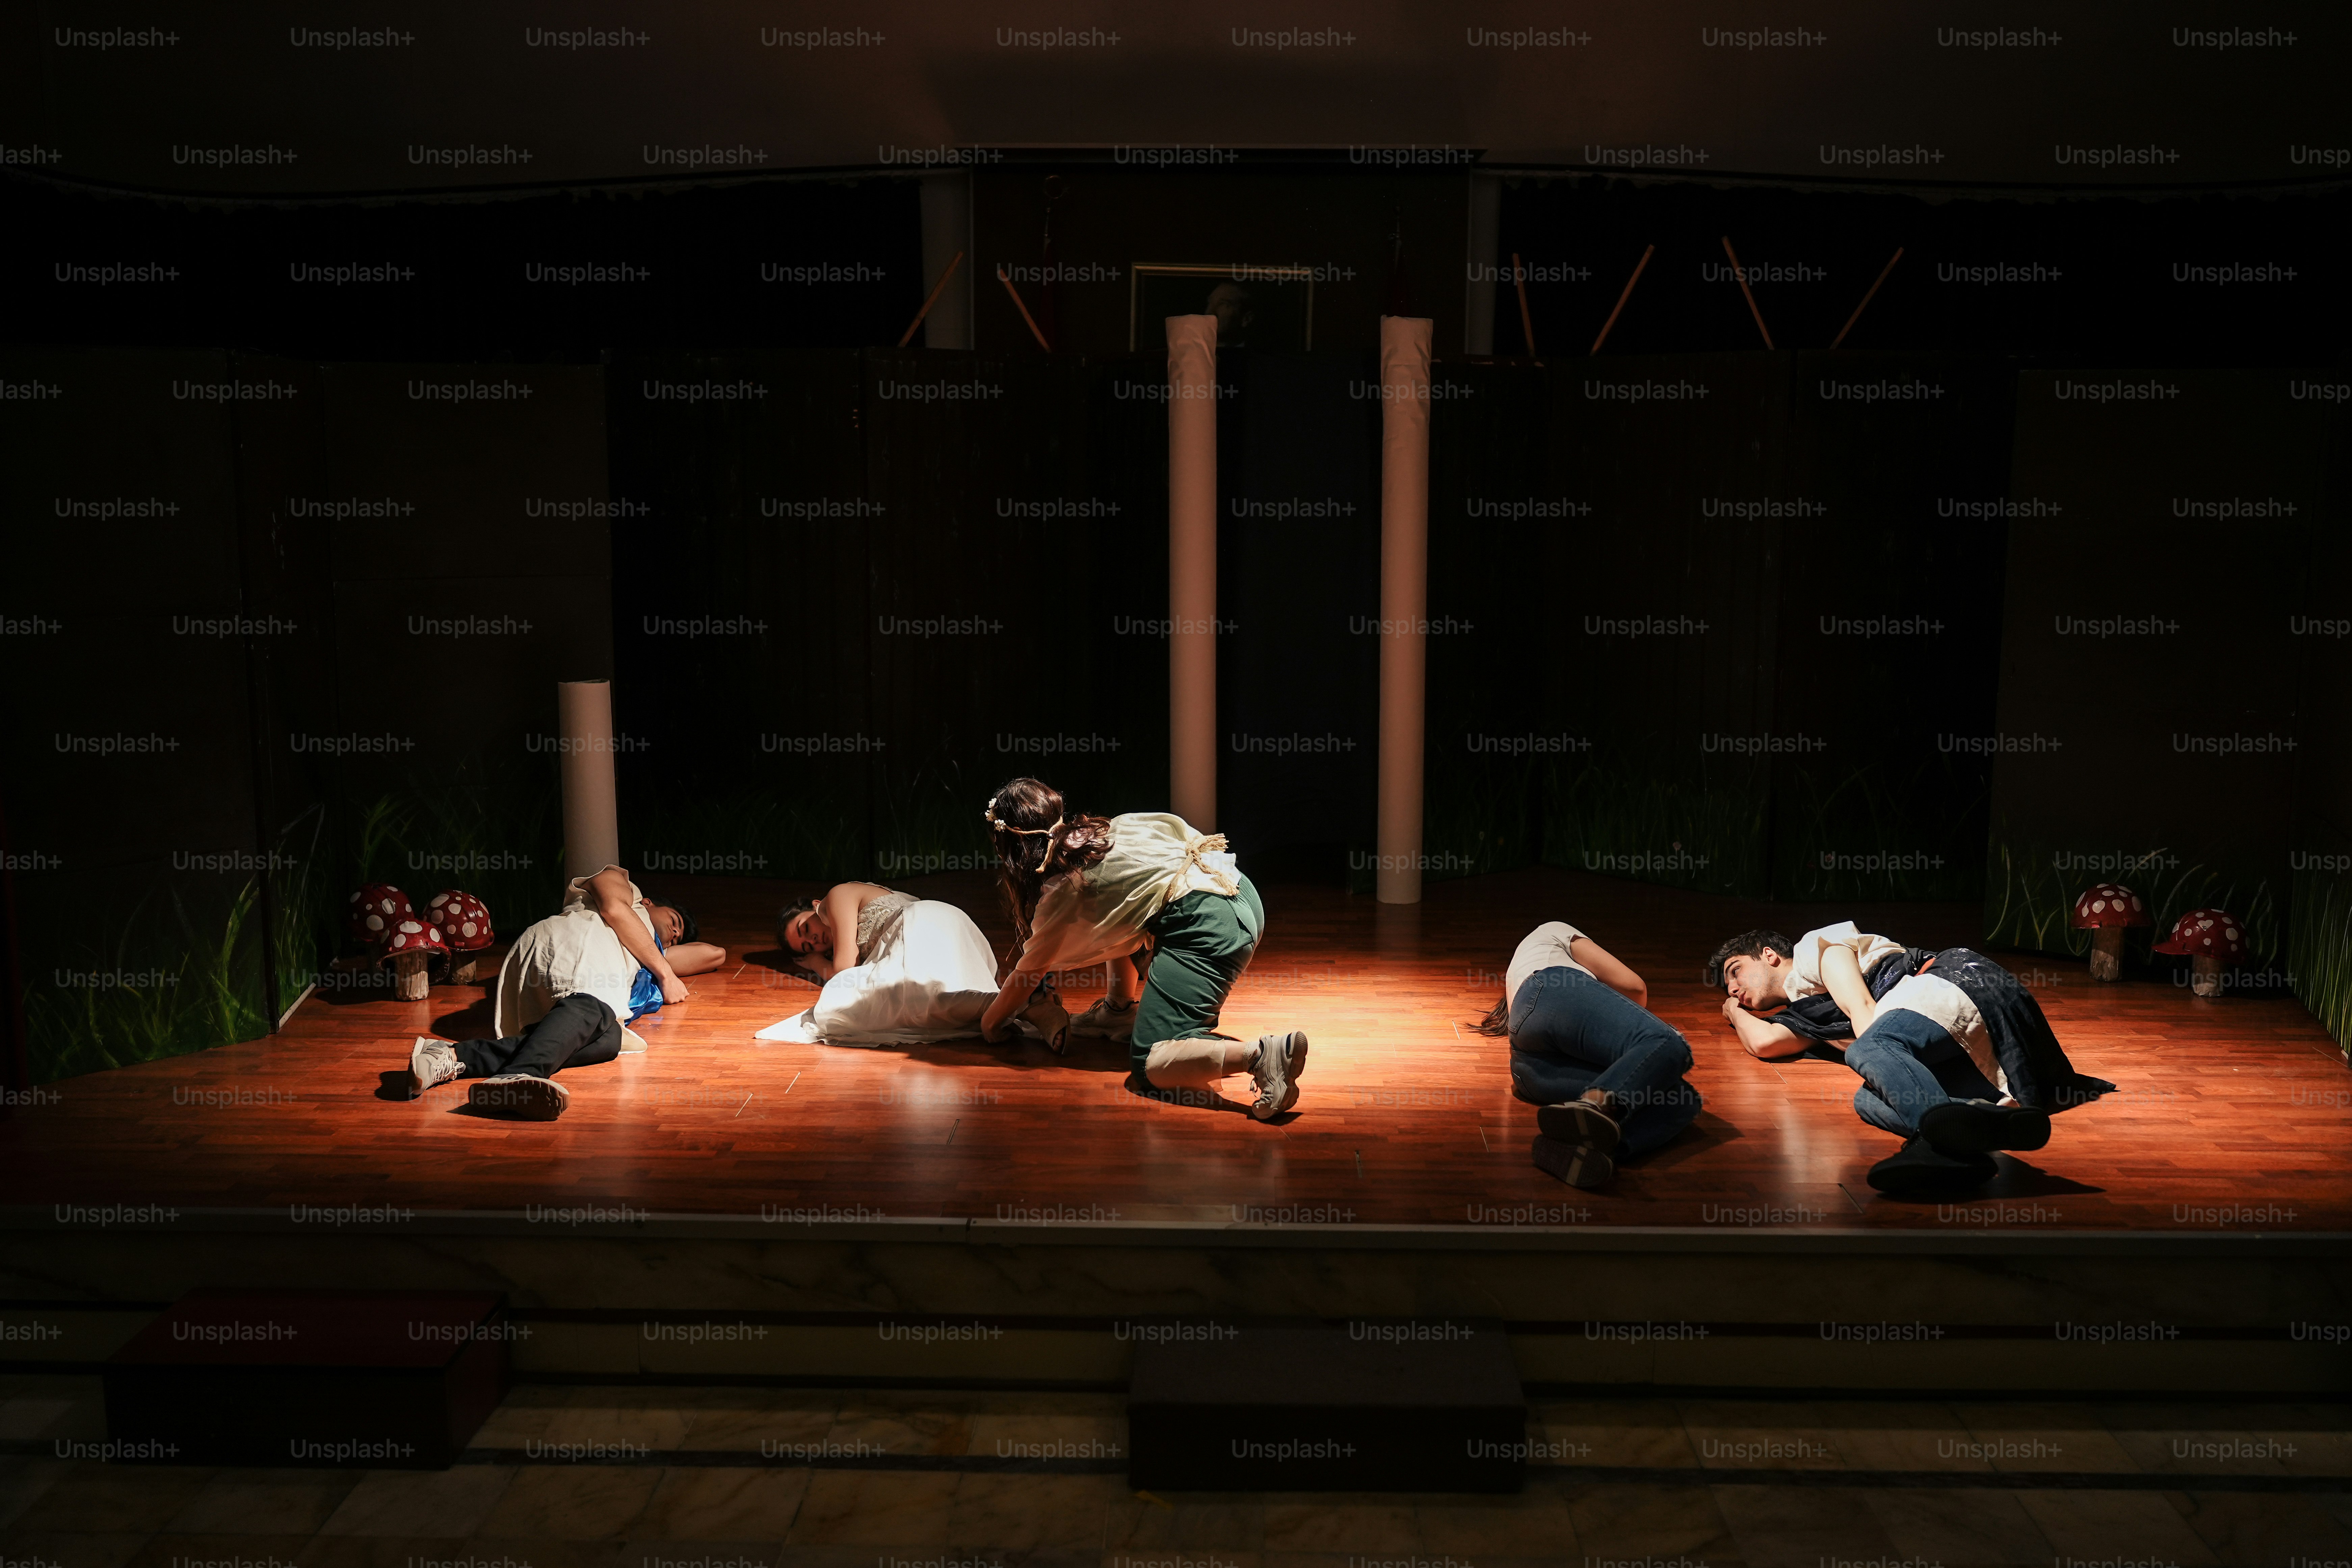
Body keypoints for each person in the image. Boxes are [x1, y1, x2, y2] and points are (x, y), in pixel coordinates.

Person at [975, 777, 1306, 1120]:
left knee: (1149, 1062)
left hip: (1212, 926)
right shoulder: (1103, 832)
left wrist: (990, 1024)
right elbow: (1117, 927)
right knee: (1126, 920)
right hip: (1240, 892)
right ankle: (1117, 1011)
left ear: (1010, 848)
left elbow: (1028, 973)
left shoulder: (1064, 892)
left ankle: (1264, 1056)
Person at [1708, 922, 2112, 1192]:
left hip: (1951, 982)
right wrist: (1734, 1012)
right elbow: (1763, 1044)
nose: (1732, 987)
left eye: (1735, 971)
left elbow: (1863, 1010)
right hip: (1940, 1028)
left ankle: (1934, 1144)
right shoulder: (1804, 1010)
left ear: (1769, 955)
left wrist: (1873, 1054)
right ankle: (1980, 1131)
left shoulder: (1819, 948)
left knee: (1868, 1050)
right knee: (1867, 1099)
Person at [404, 864, 725, 1119]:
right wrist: (666, 975)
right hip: (572, 946)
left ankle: (453, 1056)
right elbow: (615, 909)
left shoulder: (650, 954)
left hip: (593, 988)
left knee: (610, 1040)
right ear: (651, 903)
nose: (674, 933)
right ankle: (518, 1075)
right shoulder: (620, 883)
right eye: (675, 921)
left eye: (677, 937)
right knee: (592, 1008)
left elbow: (716, 954)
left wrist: (664, 963)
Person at [1471, 923, 1702, 1189]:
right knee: (1667, 1042)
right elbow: (1635, 988)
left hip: (1529, 1072)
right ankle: (1594, 1104)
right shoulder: (1552, 929)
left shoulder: (1521, 987)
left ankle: (1585, 1153)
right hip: (1551, 989)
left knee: (1678, 1097)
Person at [778, 882, 921, 983]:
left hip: (920, 931)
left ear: (816, 904)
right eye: (809, 947)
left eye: (806, 929)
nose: (812, 940)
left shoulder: (839, 894)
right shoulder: (846, 950)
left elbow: (844, 971)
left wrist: (816, 963)